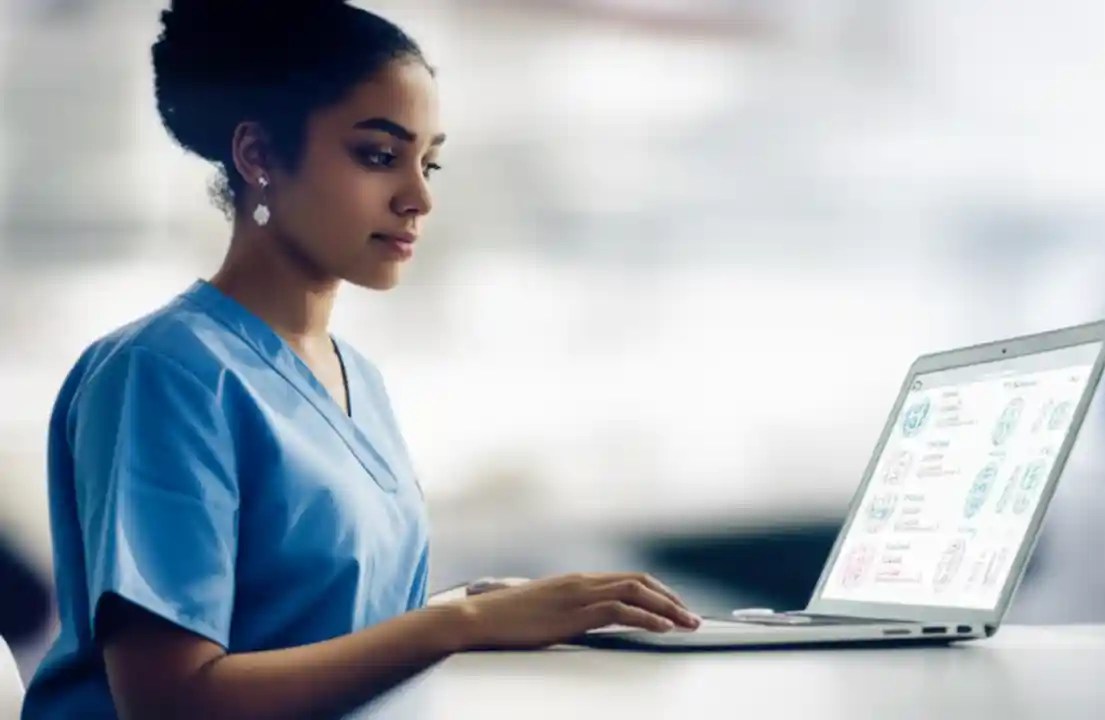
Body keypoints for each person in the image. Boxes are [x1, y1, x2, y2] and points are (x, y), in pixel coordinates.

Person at [20, 2, 699, 718]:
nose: (419, 197)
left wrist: (480, 611)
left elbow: (322, 632)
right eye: (379, 156)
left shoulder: (355, 380)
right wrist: (455, 626)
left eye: (428, 161)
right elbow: (171, 701)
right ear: (257, 157)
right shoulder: (163, 375)